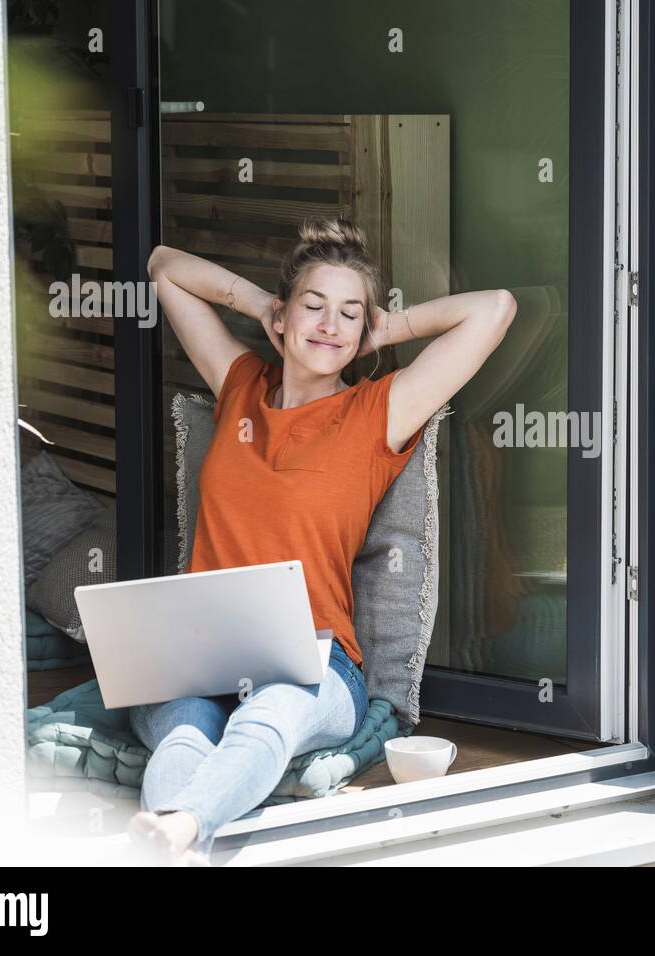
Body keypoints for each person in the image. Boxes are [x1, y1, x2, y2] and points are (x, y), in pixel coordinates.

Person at [124, 217, 516, 864]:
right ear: (283, 318)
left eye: (349, 314)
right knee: (183, 741)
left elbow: (495, 310)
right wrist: (262, 306)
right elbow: (165, 266)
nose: (330, 325)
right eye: (314, 307)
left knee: (266, 718)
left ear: (365, 330)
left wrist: (391, 327)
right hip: (199, 654)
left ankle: (179, 829)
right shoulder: (240, 385)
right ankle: (178, 849)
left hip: (316, 662)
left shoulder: (376, 413)